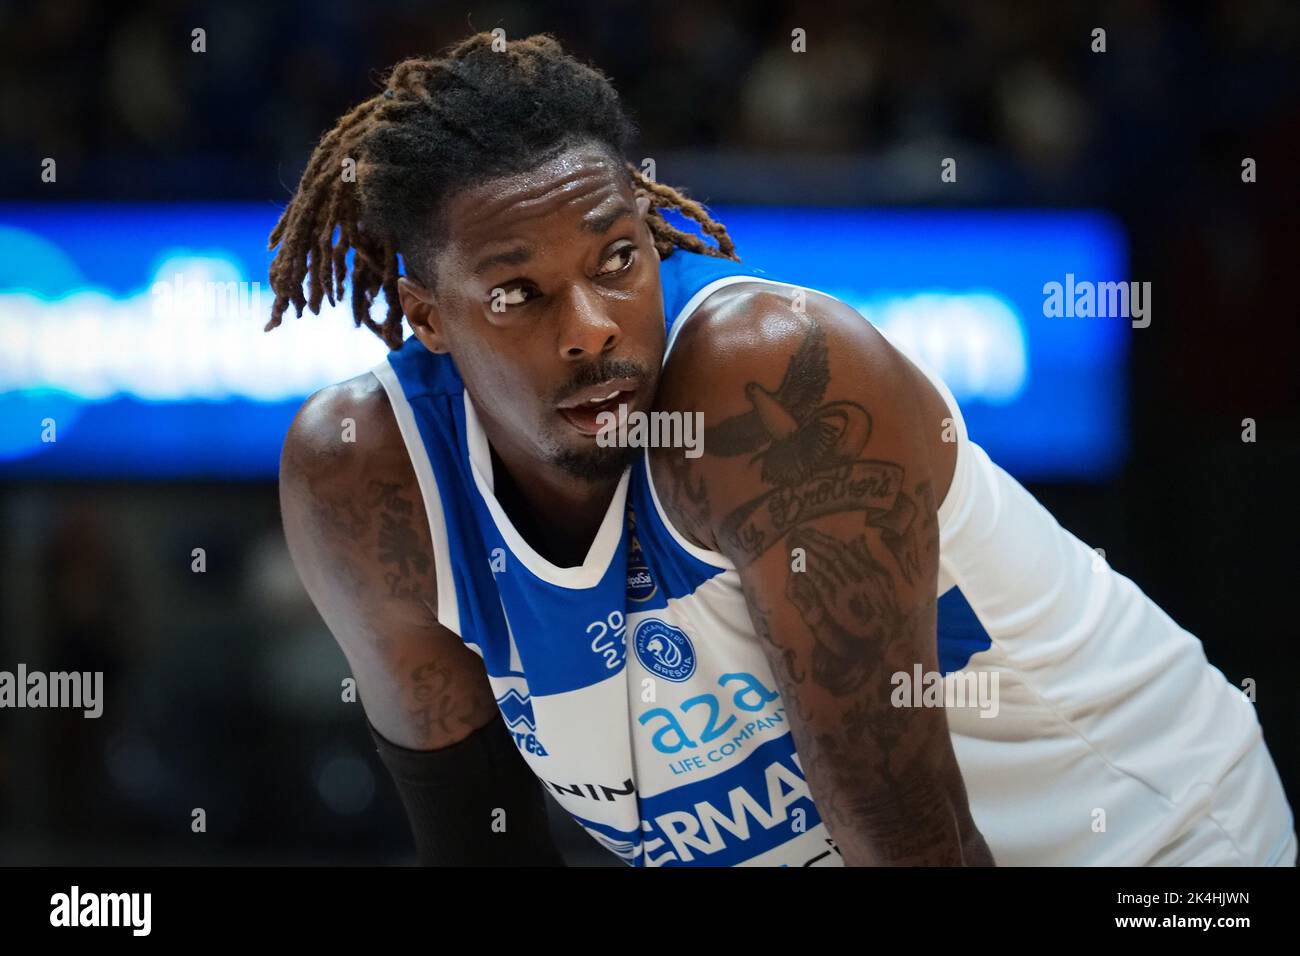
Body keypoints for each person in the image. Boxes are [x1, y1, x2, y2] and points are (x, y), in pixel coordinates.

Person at [270, 32, 1295, 867]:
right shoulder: (365, 481)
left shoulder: (766, 391)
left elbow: (911, 846)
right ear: (426, 318)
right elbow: (478, 849)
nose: (589, 326)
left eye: (617, 258)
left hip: (1157, 846)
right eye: (517, 291)